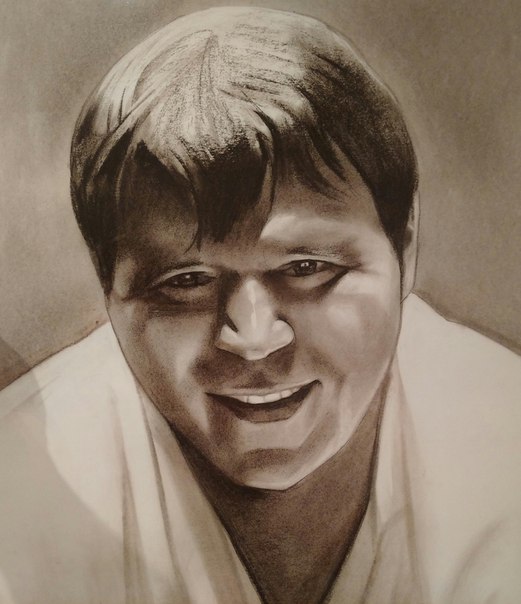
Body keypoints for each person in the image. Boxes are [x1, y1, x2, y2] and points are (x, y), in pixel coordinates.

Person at [0, 6, 520, 604]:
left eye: (307, 269)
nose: (252, 338)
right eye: (185, 282)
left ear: (405, 249)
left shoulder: (507, 449)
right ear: (108, 288)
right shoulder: (20, 496)